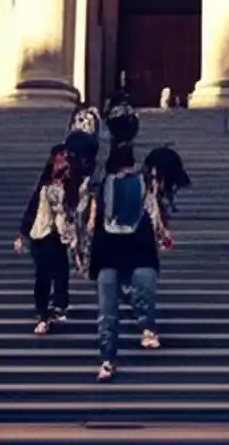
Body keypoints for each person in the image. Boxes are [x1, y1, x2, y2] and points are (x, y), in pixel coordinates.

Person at [90, 144, 172, 381]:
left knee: (107, 311)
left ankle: (107, 359)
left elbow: (89, 219)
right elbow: (154, 210)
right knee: (142, 292)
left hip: (109, 251)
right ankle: (147, 328)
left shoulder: (103, 185)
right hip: (139, 247)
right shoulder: (141, 184)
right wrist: (163, 232)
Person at [15, 145, 81, 334]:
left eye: (65, 158)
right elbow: (32, 208)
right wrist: (22, 233)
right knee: (42, 274)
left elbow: (73, 206)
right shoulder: (44, 185)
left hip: (59, 235)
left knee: (60, 271)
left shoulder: (71, 182)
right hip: (41, 233)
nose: (62, 162)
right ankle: (43, 311)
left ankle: (59, 304)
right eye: (59, 158)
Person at [144, 143, 190, 219]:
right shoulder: (171, 164)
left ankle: (165, 203)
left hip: (165, 167)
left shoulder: (171, 165)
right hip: (164, 167)